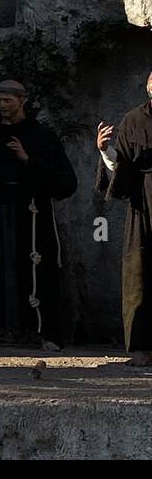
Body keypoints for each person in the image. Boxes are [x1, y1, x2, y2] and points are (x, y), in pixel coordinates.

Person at [0, 80, 76, 350]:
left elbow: (66, 181)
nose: (1, 106)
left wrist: (28, 160)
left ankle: (43, 332)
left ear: (22, 100)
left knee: (32, 269)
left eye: (7, 100)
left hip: (29, 213)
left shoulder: (41, 135)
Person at [95, 69, 152, 367]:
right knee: (139, 273)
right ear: (147, 87)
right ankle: (142, 348)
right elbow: (124, 167)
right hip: (144, 206)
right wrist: (106, 151)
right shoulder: (134, 120)